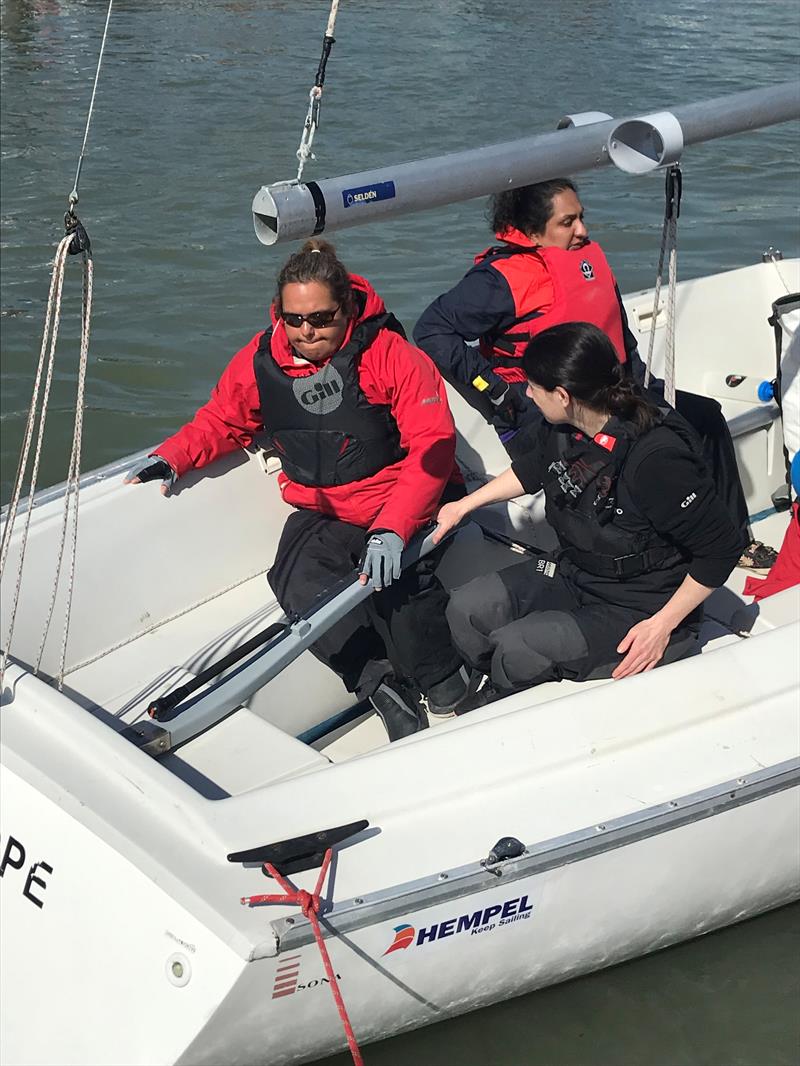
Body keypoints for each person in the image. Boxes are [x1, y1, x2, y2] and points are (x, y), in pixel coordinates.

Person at [126, 239, 469, 740]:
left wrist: (395, 527)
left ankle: (446, 685)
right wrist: (173, 456)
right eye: (294, 319)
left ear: (347, 310)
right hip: (324, 508)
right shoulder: (261, 358)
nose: (307, 331)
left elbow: (432, 446)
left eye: (322, 319)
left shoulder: (391, 355)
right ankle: (380, 687)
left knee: (400, 587)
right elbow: (224, 418)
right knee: (294, 580)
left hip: (406, 503)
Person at [414, 178, 777, 574]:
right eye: (567, 222)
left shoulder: (589, 262)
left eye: (581, 218)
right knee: (619, 463)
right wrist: (499, 393)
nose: (582, 231)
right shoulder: (499, 281)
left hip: (609, 396)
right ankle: (633, 568)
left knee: (702, 418)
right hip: (541, 413)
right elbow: (433, 330)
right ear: (533, 231)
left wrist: (646, 391)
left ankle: (731, 539)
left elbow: (617, 333)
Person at [432, 322, 743, 703]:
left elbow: (722, 548)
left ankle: (507, 695)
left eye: (533, 387)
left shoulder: (656, 458)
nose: (527, 395)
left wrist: (661, 626)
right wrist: (464, 505)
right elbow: (533, 468)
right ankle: (495, 683)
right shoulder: (566, 425)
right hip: (576, 571)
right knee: (467, 609)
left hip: (641, 603)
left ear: (562, 394)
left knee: (519, 649)